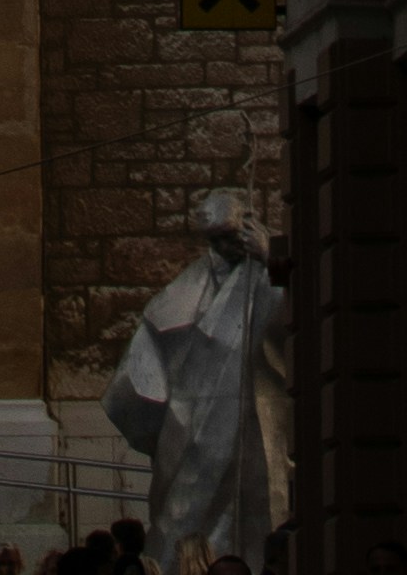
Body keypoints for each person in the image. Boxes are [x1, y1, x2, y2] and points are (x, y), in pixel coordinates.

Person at [103, 193, 288, 575]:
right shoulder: (185, 289)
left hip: (253, 425)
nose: (226, 244)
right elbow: (139, 369)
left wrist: (272, 260)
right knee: (182, 519)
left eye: (232, 233)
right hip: (188, 432)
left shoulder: (271, 275)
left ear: (250, 223)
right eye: (216, 237)